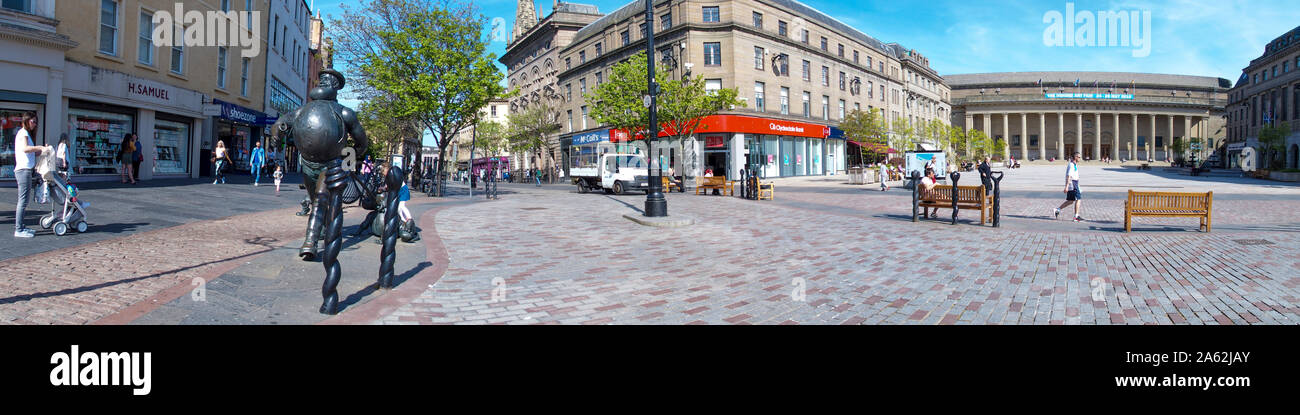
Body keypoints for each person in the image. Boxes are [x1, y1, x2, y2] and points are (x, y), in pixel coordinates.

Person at [12, 113, 50, 238]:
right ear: (27, 121)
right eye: (33, 121)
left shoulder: (26, 134)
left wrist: (42, 151)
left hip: (26, 170)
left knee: (24, 200)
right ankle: (18, 229)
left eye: (35, 122)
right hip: (23, 170)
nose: (35, 124)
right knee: (22, 201)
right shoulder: (23, 133)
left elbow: (31, 153)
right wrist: (39, 147)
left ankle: (22, 227)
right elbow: (25, 149)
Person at [1054, 152, 1084, 222]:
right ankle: (1076, 216)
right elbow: (1069, 176)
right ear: (1075, 157)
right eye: (1079, 157)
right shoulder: (1071, 165)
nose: (1080, 158)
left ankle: (1057, 210)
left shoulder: (1074, 165)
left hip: (1075, 183)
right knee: (1078, 199)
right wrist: (1066, 186)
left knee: (1070, 201)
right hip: (1073, 184)